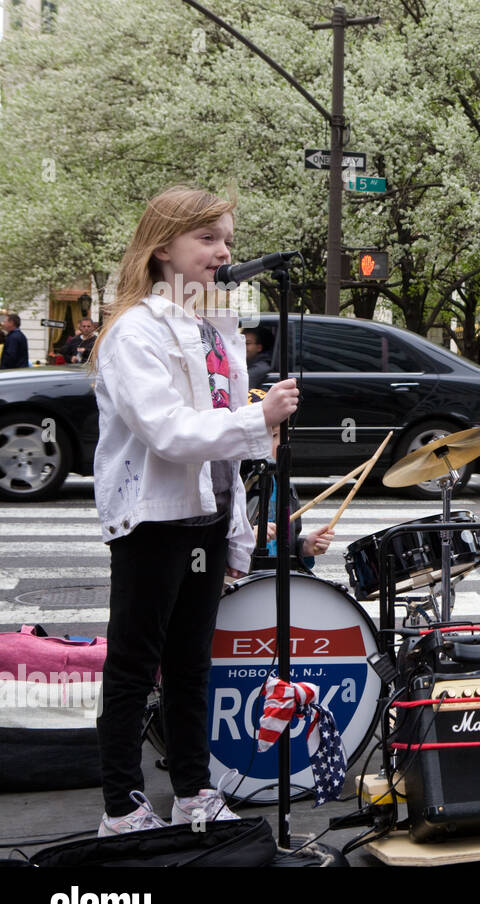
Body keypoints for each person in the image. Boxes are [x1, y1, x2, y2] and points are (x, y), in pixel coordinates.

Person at [90, 185, 300, 835]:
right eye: (207, 238)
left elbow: (224, 441)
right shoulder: (136, 330)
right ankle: (121, 804)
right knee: (134, 662)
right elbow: (168, 430)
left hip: (206, 510)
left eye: (228, 239)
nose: (223, 251)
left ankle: (192, 791)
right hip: (154, 515)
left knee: (190, 664)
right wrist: (255, 418)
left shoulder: (218, 327)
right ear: (162, 250)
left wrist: (236, 518)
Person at [244, 389, 334, 571]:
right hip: (242, 583)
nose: (283, 442)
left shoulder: (283, 482)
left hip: (275, 581)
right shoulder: (231, 484)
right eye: (274, 436)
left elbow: (286, 544)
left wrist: (304, 548)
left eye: (283, 433)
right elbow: (208, 547)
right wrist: (245, 538)